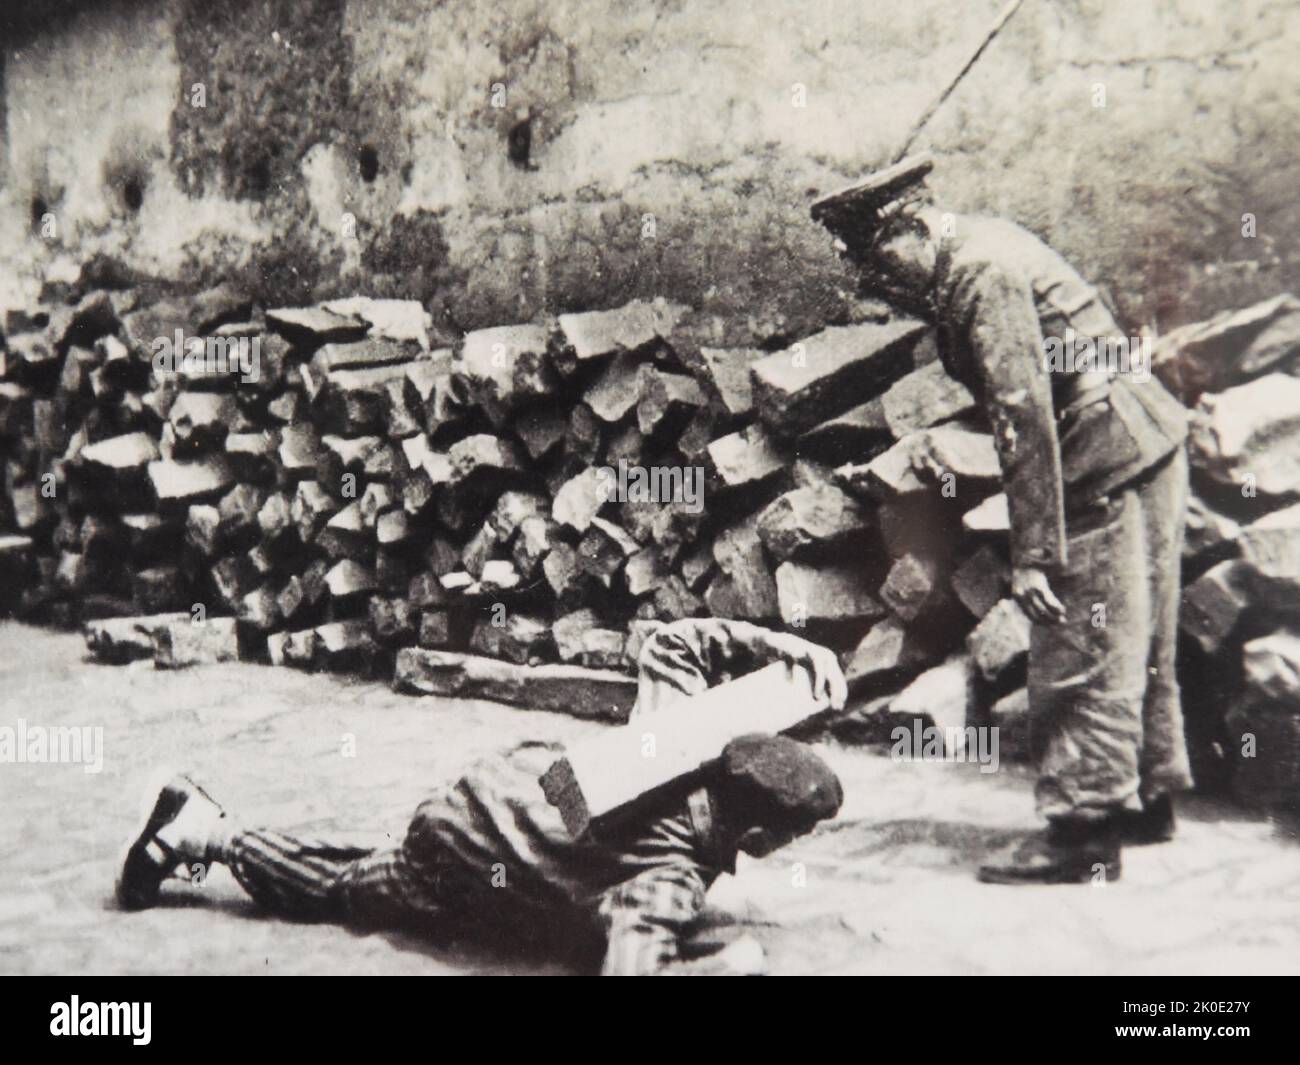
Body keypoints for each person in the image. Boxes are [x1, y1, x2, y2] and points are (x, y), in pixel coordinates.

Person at [812, 154, 1191, 884]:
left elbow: (1024, 412)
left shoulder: (979, 273)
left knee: (1081, 637)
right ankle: (1144, 798)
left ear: (915, 226)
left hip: (1102, 451)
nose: (882, 285)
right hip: (1142, 435)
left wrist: (1035, 553)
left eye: (883, 261)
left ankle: (1084, 831)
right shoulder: (982, 245)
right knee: (1140, 632)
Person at [116, 618, 847, 974]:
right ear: (754, 839)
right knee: (351, 888)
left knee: (384, 860)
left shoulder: (677, 736)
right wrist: (721, 969)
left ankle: (206, 827)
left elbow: (672, 646)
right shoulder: (668, 880)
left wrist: (780, 648)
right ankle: (203, 832)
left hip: (505, 781)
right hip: (463, 843)